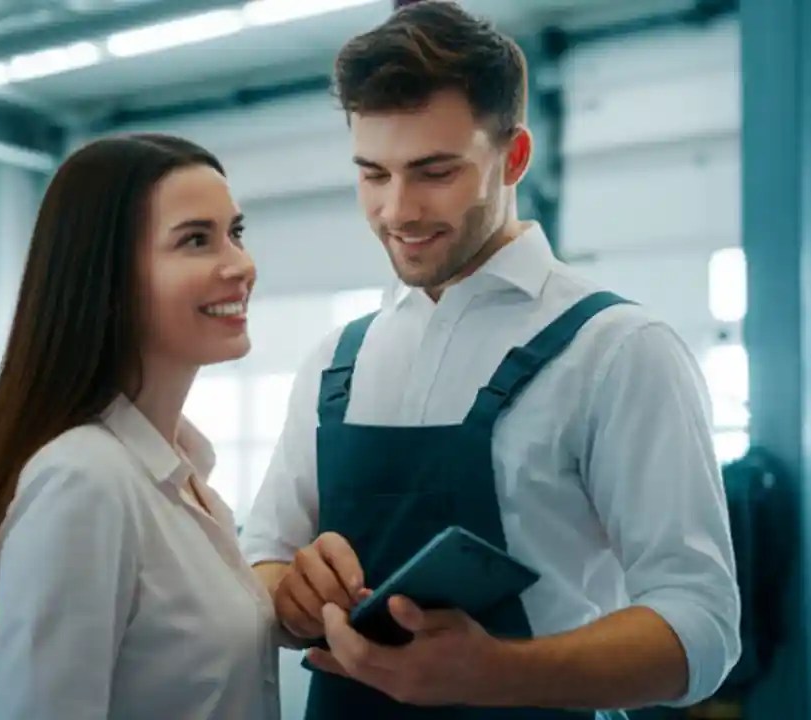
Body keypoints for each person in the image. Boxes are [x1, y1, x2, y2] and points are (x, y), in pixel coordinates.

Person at [239, 2, 741, 719]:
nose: (398, 211)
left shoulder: (619, 350)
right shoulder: (334, 363)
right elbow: (263, 561)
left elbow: (703, 626)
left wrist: (497, 672)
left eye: (434, 171)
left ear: (513, 157)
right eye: (372, 174)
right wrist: (289, 593)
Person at [0, 134, 279, 720]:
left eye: (235, 232)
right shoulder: (85, 480)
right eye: (195, 240)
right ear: (108, 277)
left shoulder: (184, 475)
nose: (241, 265)